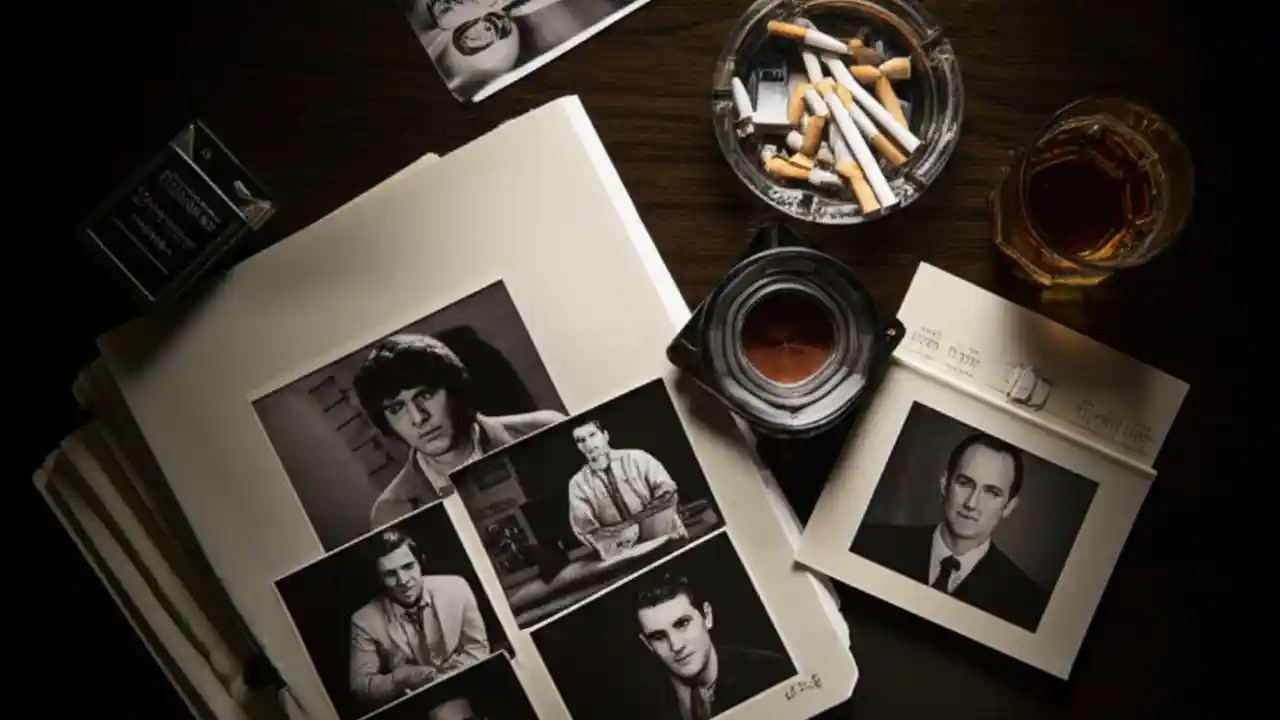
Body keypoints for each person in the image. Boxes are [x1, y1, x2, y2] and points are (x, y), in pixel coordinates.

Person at [354, 333, 563, 529]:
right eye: (397, 408)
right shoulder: (391, 511)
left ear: (455, 391)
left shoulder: (548, 431)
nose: (418, 418)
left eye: (426, 395)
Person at [851, 432, 1048, 631]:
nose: (971, 503)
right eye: (964, 483)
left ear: (1009, 507)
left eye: (992, 492)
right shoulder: (871, 543)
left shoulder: (1027, 603)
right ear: (945, 484)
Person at [349, 529, 491, 707]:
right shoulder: (364, 620)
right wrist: (400, 679)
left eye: (408, 567)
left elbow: (478, 649)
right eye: (390, 574)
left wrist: (443, 679)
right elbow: (361, 687)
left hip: (469, 686)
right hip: (415, 704)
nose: (403, 580)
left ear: (420, 562)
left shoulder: (456, 587)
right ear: (379, 578)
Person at [630, 573, 793, 720]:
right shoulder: (640, 706)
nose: (676, 645)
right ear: (647, 644)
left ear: (707, 616)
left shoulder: (768, 672)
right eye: (658, 637)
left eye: (682, 624)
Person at [566, 418, 688, 559]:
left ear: (605, 435)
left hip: (666, 539)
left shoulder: (637, 458)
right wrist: (620, 536)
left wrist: (637, 525)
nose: (587, 444)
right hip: (624, 555)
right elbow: (586, 528)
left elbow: (668, 494)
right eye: (580, 440)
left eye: (592, 435)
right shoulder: (578, 484)